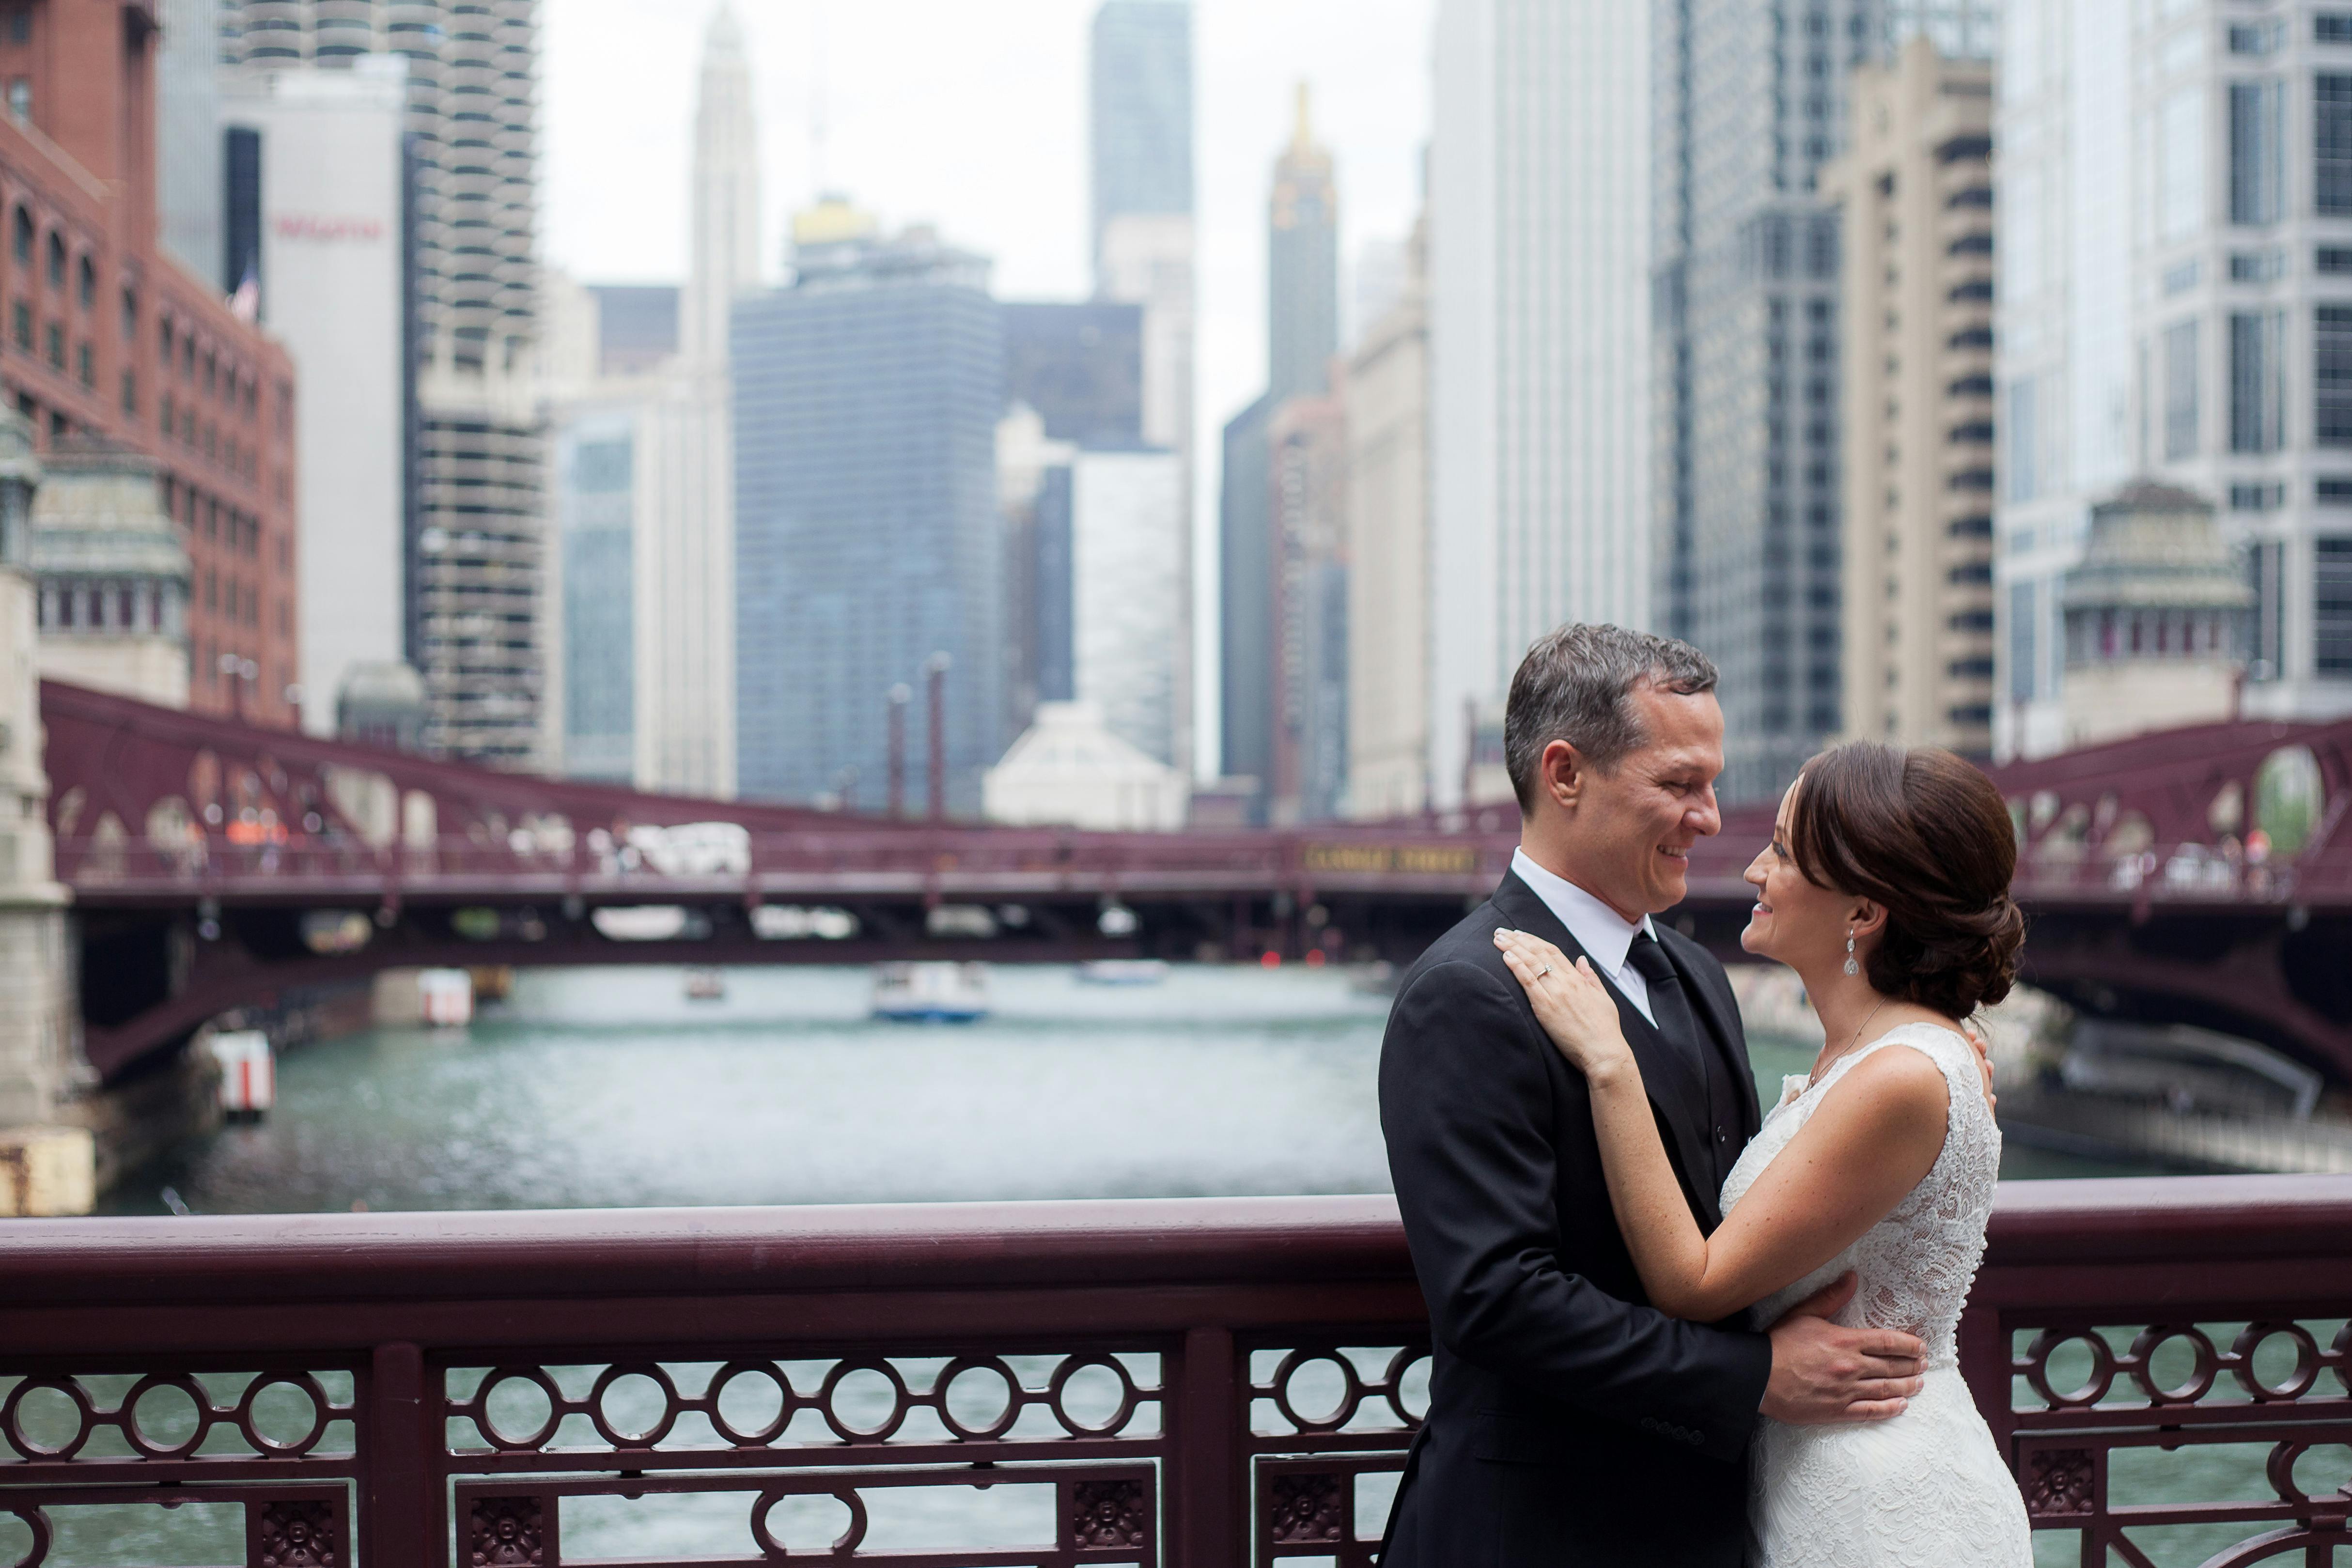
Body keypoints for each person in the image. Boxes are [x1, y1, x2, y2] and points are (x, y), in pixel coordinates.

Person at [1379, 625, 1975, 1567]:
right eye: (1679, 783)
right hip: (1536, 1532)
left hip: (1717, 1525)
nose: (1709, 817)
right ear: (1564, 772)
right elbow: (1494, 1297)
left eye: (1711, 781)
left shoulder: (1697, 972)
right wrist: (1754, 1376)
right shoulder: (1465, 991)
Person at [1490, 736, 2031, 1565]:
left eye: (1781, 850)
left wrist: (1610, 1063)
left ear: (1863, 913)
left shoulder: (1903, 1076)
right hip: (1817, 1479)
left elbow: (1694, 1282)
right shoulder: (1875, 1060)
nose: (1752, 869)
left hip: (1882, 1509)